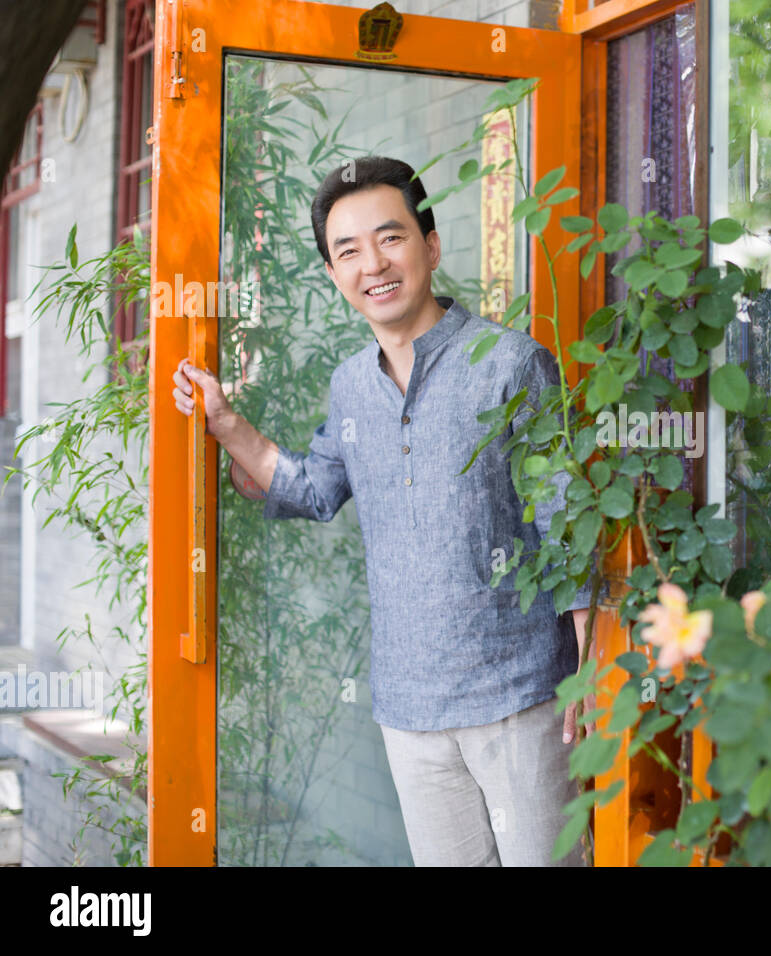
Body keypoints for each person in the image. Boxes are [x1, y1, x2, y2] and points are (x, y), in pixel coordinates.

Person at [172, 156, 593, 866]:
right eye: (348, 251)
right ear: (335, 277)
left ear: (430, 245)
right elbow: (313, 487)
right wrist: (224, 425)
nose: (373, 263)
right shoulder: (349, 386)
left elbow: (567, 524)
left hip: (521, 698)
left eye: (391, 238)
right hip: (408, 709)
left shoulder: (511, 364)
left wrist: (592, 671)